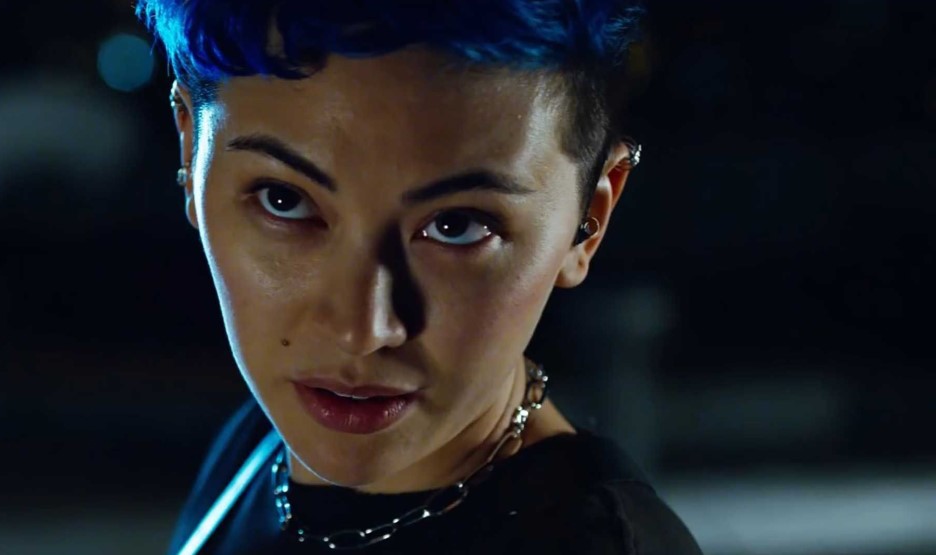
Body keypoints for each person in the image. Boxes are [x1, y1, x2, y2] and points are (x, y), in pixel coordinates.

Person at [137, 0, 702, 553]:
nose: (362, 331)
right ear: (190, 151)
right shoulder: (258, 448)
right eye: (283, 200)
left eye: (457, 226)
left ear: (588, 224)